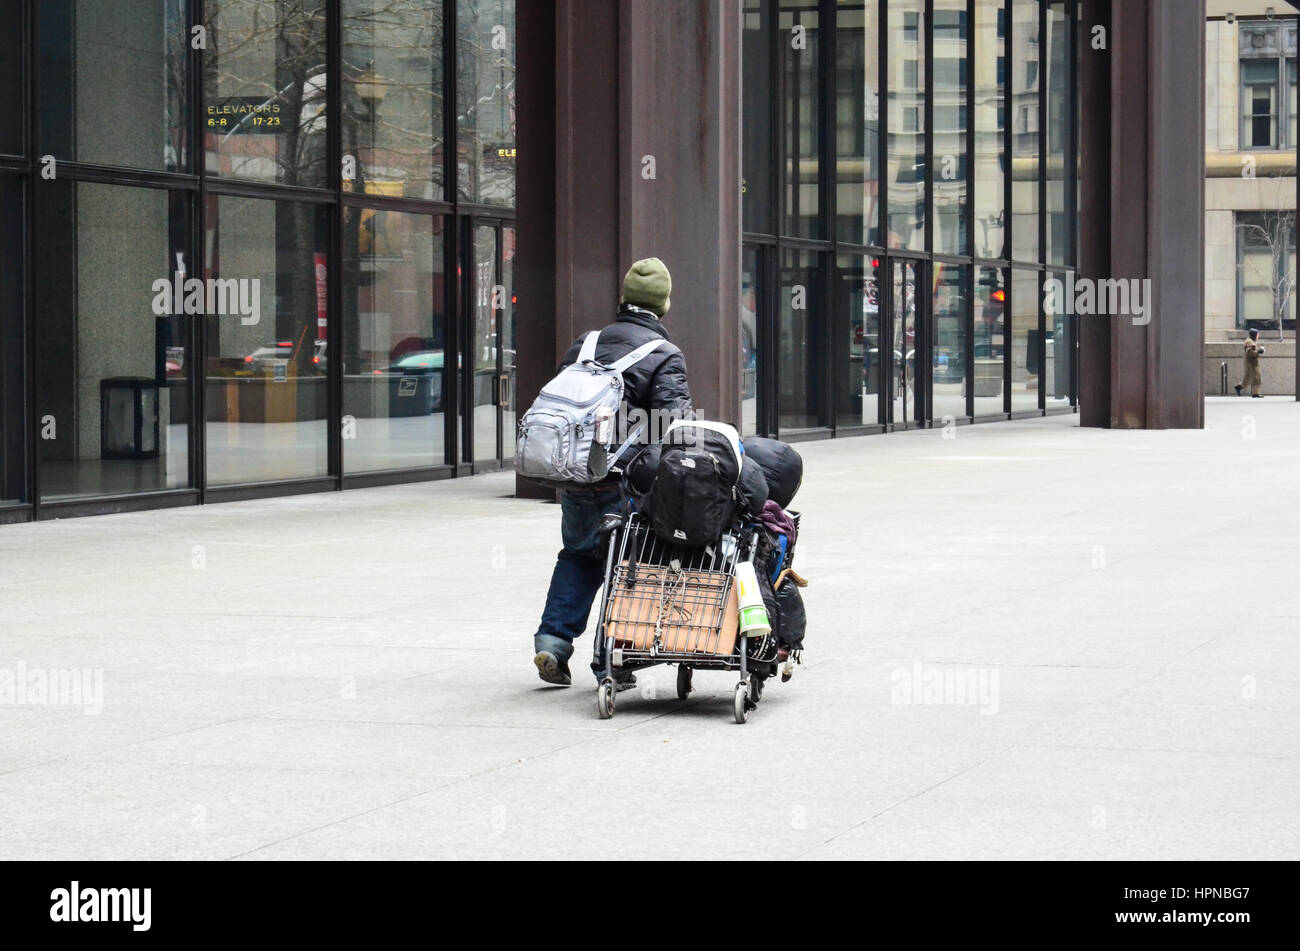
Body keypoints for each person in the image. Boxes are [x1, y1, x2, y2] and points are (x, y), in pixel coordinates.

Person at [533, 258, 694, 688]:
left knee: (579, 555)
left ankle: (552, 640)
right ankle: (613, 660)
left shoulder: (585, 344)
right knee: (629, 566)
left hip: (578, 476)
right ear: (664, 305)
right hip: (626, 479)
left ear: (623, 299)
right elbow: (672, 426)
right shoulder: (664, 354)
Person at [1234, 329, 1264, 398]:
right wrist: (1259, 351)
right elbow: (1250, 353)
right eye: (1257, 335)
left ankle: (1239, 387)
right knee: (1256, 378)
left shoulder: (1250, 341)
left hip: (1251, 363)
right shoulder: (1250, 342)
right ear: (1254, 335)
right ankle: (1255, 393)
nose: (1258, 337)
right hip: (1251, 364)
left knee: (1249, 378)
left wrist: (1258, 351)